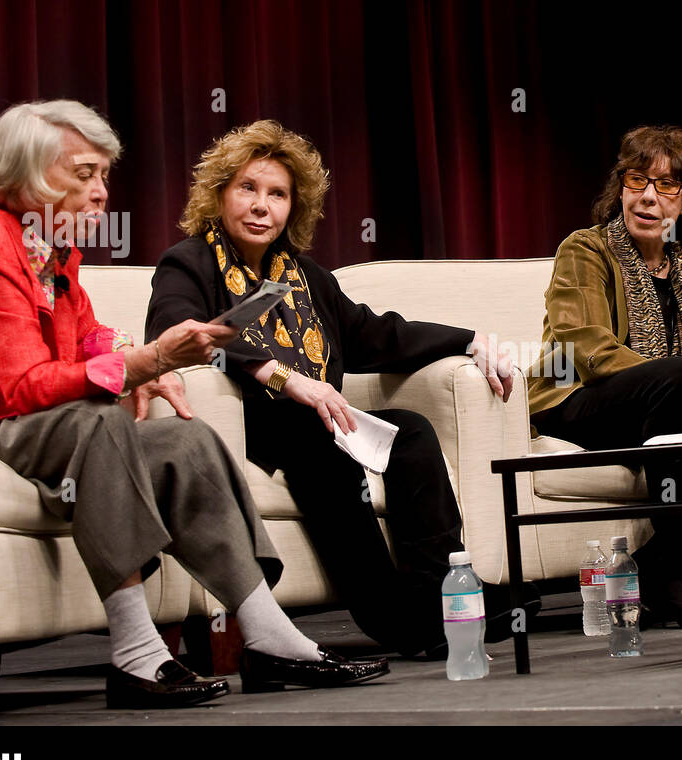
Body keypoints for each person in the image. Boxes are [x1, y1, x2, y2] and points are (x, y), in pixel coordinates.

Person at [0, 100, 390, 709]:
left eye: (103, 176)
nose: (101, 194)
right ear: (30, 174)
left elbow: (81, 333)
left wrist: (123, 352)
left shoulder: (48, 241)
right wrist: (146, 363)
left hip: (27, 421)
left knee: (187, 441)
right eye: (84, 174)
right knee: (99, 425)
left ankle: (269, 637)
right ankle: (135, 655)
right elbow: (25, 388)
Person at [145, 120, 525, 658]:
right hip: (252, 428)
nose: (261, 206)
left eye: (276, 194)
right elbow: (177, 334)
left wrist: (470, 340)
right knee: (318, 438)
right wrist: (282, 377)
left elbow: (378, 333)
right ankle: (394, 620)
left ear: (292, 209)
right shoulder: (189, 263)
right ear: (220, 194)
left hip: (319, 423)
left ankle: (442, 599)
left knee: (412, 431)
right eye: (247, 188)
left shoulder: (305, 277)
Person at [527, 125, 682, 627]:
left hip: (668, 406)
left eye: (667, 186)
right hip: (577, 402)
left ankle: (660, 568)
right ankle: (677, 582)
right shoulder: (586, 250)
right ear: (619, 188)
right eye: (636, 180)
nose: (648, 196)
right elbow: (587, 347)